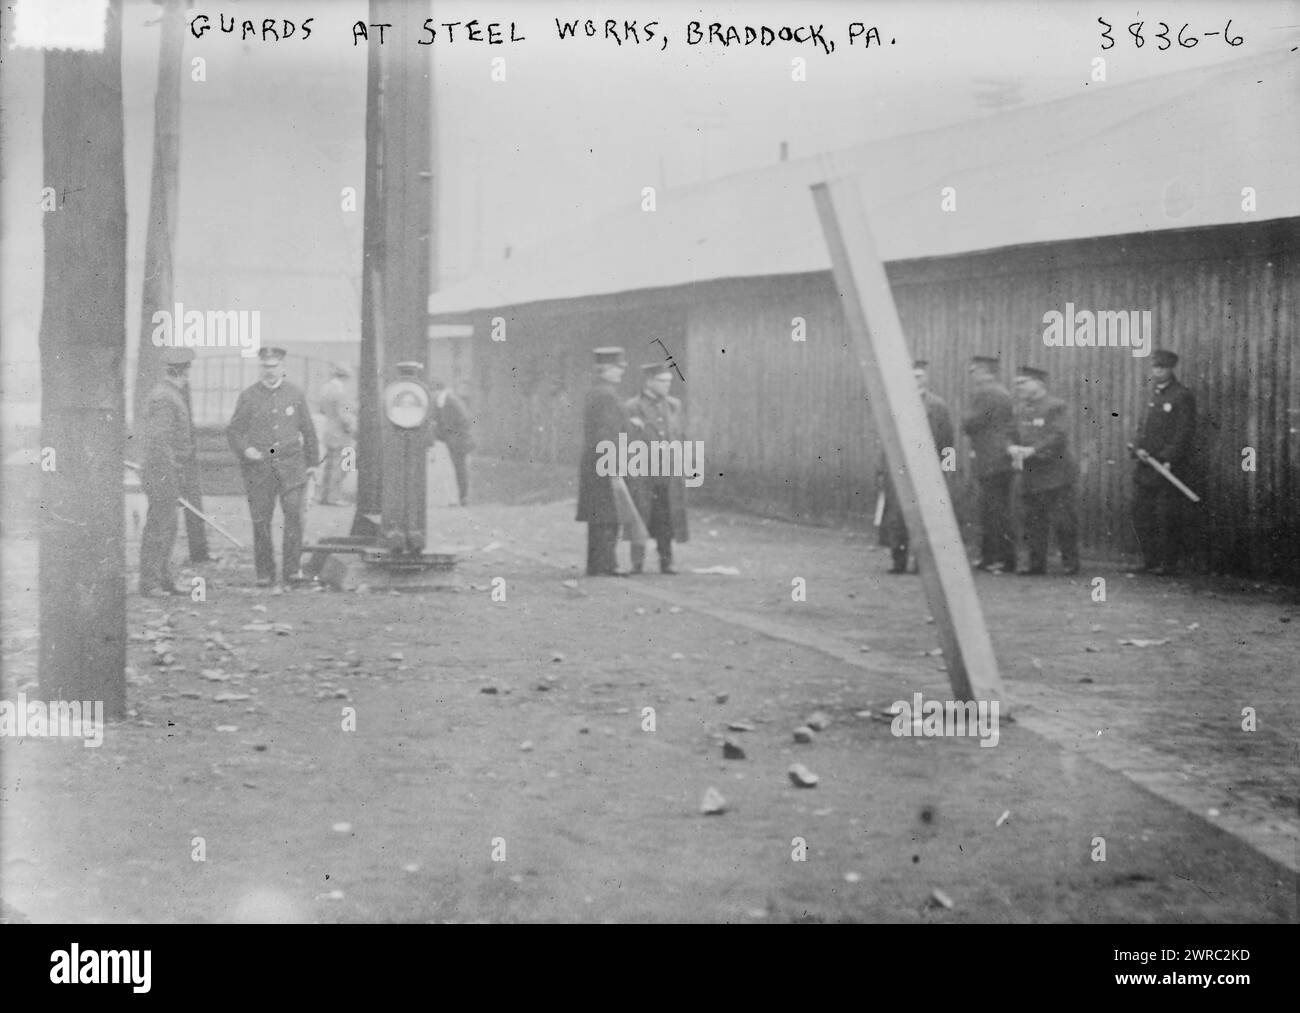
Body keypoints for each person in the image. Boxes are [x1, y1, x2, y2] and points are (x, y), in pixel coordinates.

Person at [227, 347, 320, 588]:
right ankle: (265, 572)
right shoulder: (248, 396)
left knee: (293, 517)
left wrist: (312, 464)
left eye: (274, 366)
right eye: (265, 367)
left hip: (292, 468)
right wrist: (246, 449)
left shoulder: (295, 394)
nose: (270, 372)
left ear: (282, 367)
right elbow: (235, 431)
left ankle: (292, 570)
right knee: (261, 521)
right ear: (260, 368)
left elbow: (308, 431)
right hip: (260, 470)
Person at [877, 360, 954, 574]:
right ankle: (898, 561)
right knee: (898, 516)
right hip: (899, 470)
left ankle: (923, 563)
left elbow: (948, 441)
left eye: (918, 376)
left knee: (926, 517)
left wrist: (947, 470)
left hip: (927, 471)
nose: (914, 380)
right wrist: (882, 469)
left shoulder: (938, 406)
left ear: (926, 378)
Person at [1131, 349, 1196, 575]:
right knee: (1142, 514)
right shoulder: (1152, 395)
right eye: (1154, 367)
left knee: (1166, 517)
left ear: (1171, 369)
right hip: (1146, 465)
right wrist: (1138, 449)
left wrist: (1169, 459)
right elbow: (1143, 428)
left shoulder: (1181, 395)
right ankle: (1150, 561)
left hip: (1168, 468)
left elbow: (1183, 433)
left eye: (1162, 367)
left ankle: (1168, 564)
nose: (1157, 371)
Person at [1009, 365, 1080, 575]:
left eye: (1023, 383)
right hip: (1031, 474)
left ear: (1038, 384)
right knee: (1033, 521)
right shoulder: (1020, 409)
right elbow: (1011, 433)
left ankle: (1070, 563)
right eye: (1016, 384)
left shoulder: (1056, 406)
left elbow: (1058, 436)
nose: (1018, 387)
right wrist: (1011, 447)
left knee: (1064, 521)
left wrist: (1033, 450)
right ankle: (1036, 564)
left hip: (1056, 474)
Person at [138, 347, 196, 596]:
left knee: (168, 526)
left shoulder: (169, 394)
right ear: (184, 372)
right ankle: (150, 582)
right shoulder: (165, 398)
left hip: (166, 470)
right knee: (160, 526)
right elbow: (159, 441)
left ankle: (163, 579)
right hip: (162, 472)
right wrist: (171, 470)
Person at [625, 361, 690, 575]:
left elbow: (680, 435)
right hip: (642, 474)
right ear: (649, 382)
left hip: (668, 473)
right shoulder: (632, 407)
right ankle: (637, 562)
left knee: (666, 517)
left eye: (669, 382)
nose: (667, 386)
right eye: (662, 382)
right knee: (640, 515)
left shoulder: (673, 405)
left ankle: (666, 561)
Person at [962, 355, 1018, 573]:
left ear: (986, 372)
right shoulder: (1000, 392)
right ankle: (994, 558)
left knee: (994, 511)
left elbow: (970, 422)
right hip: (998, 459)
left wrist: (965, 419)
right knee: (995, 509)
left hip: (991, 459)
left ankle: (1000, 559)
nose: (972, 375)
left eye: (974, 370)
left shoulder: (986, 392)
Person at [576, 347, 629, 576]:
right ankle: (606, 564)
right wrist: (613, 465)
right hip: (605, 459)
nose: (621, 372)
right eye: (618, 368)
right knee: (608, 513)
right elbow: (606, 434)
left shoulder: (595, 392)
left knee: (599, 514)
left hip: (594, 460)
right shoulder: (607, 395)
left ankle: (598, 563)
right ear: (605, 370)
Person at [317, 362, 356, 506]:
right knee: (340, 466)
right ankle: (334, 497)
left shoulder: (325, 388)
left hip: (329, 430)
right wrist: (353, 428)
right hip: (341, 432)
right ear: (345, 376)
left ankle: (324, 496)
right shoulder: (341, 391)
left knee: (329, 465)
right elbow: (344, 415)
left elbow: (322, 409)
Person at [431, 379, 475, 506]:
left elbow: (461, 419)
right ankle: (461, 497)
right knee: (458, 468)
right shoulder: (447, 399)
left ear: (437, 391)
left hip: (458, 440)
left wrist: (448, 432)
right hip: (456, 439)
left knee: (459, 468)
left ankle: (462, 497)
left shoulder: (448, 400)